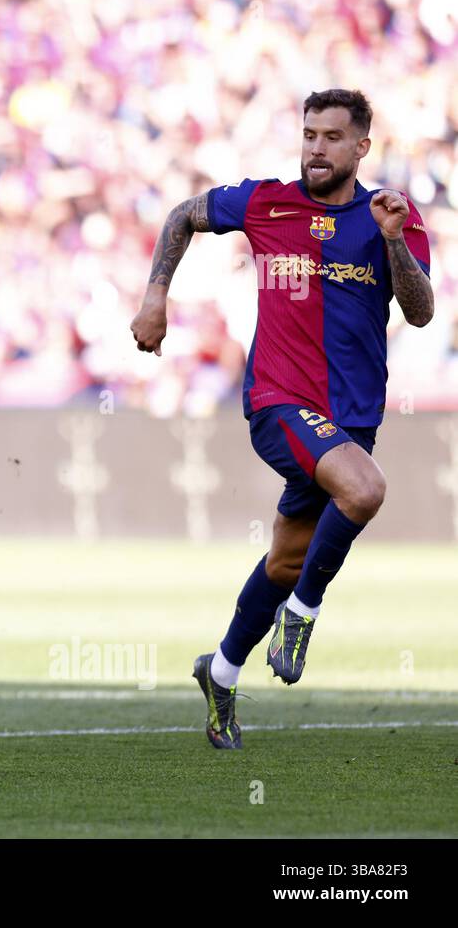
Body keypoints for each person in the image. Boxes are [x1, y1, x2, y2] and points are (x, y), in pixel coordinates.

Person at [130, 89, 433, 749]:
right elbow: (183, 215)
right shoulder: (266, 200)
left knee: (287, 558)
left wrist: (394, 245)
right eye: (308, 134)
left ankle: (222, 669)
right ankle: (304, 613)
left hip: (350, 420)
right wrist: (156, 300)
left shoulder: (390, 217)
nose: (315, 148)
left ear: (361, 148)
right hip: (278, 402)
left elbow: (420, 311)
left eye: (330, 137)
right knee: (366, 488)